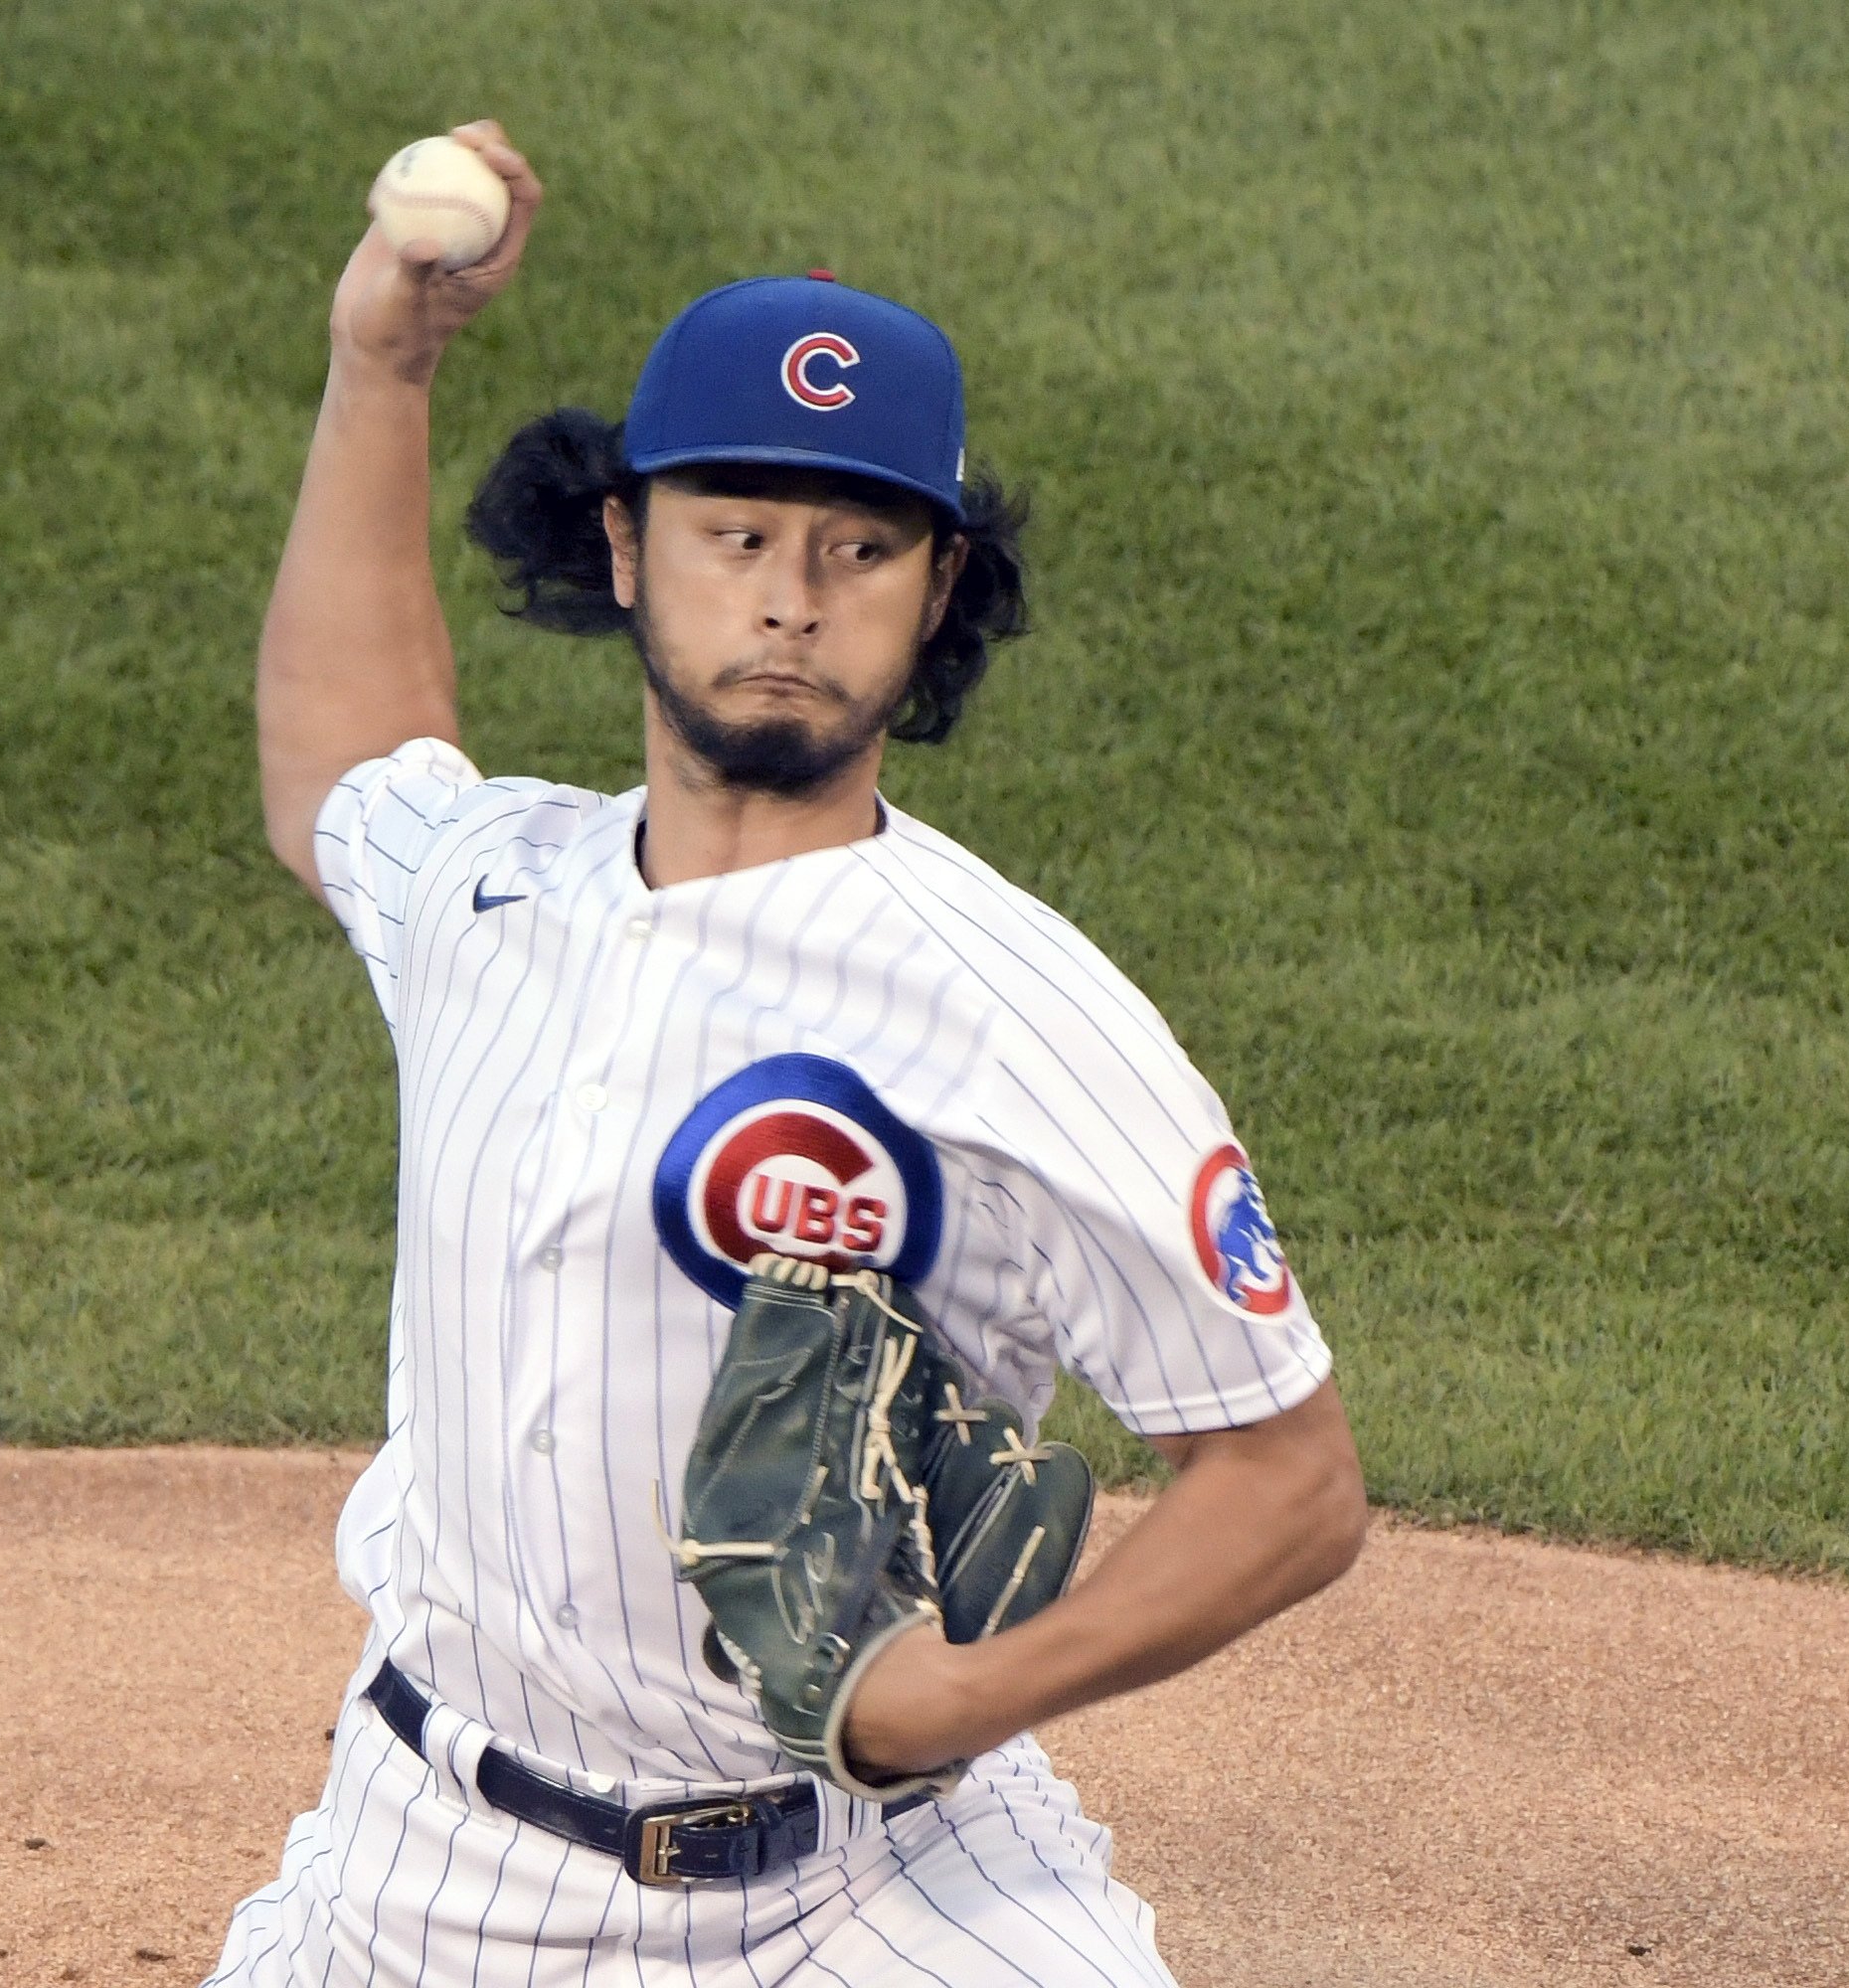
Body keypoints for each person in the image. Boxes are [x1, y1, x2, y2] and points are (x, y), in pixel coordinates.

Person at [209, 120, 1370, 1987]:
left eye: (857, 548)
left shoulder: (1016, 1008)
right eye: (735, 536)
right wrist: (384, 364)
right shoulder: (490, 892)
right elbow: (342, 757)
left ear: (937, 588)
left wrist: (955, 1701)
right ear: (626, 547)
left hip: (863, 1893)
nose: (788, 597)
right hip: (424, 1868)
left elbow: (1289, 1478)